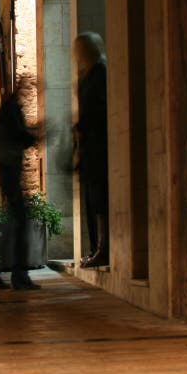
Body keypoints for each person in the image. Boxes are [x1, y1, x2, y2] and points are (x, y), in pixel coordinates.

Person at [0, 92, 40, 291]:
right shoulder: (12, 112)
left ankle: (6, 274)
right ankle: (18, 276)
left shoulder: (5, 112)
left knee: (14, 224)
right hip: (10, 174)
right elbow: (20, 137)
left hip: (7, 173)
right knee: (19, 224)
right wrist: (35, 135)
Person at [74, 32, 109, 268]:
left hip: (98, 146)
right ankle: (95, 247)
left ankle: (103, 249)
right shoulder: (86, 76)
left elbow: (98, 110)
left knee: (100, 199)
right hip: (89, 148)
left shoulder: (100, 73)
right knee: (90, 198)